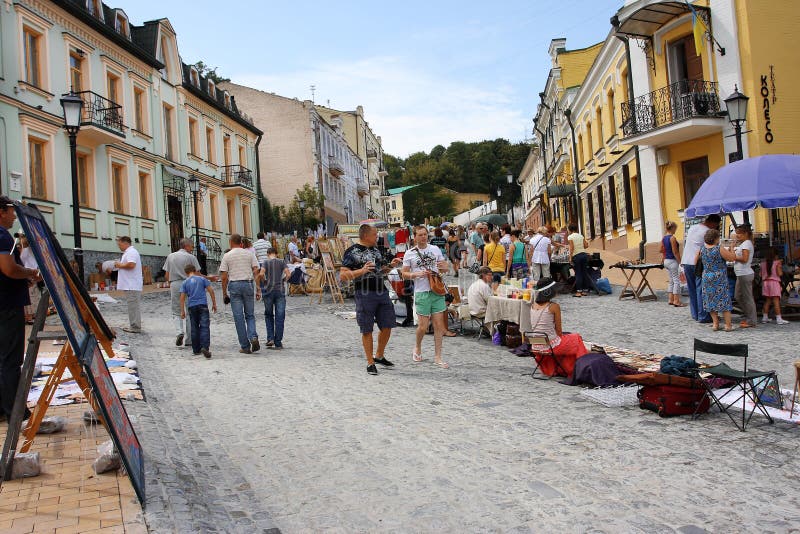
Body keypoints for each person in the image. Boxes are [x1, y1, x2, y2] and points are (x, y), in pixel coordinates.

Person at [340, 224, 402, 375]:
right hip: (364, 293)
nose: (378, 237)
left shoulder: (376, 250)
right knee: (367, 328)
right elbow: (343, 276)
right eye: (375, 234)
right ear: (366, 235)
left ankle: (379, 355)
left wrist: (390, 266)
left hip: (381, 291)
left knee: (388, 325)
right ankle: (370, 362)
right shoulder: (352, 251)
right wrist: (362, 270)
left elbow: (380, 271)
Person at [0, 197, 38, 421]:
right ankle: (15, 411)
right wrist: (29, 273)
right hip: (7, 305)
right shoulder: (3, 236)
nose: (14, 216)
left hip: (5, 301)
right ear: (1, 212)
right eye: (12, 212)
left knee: (4, 358)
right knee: (11, 360)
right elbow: (8, 269)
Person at [402, 225, 450, 369]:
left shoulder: (435, 250)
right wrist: (415, 274)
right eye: (420, 235)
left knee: (438, 326)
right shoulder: (409, 253)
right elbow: (404, 273)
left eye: (425, 235)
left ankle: (438, 357)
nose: (423, 237)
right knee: (423, 327)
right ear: (415, 237)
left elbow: (444, 268)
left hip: (436, 290)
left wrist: (444, 267)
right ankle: (417, 347)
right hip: (421, 292)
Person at [528, 277, 587, 377]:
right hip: (549, 345)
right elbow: (559, 331)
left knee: (568, 339)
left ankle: (563, 368)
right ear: (549, 292)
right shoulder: (554, 306)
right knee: (576, 338)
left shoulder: (533, 305)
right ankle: (582, 369)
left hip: (535, 344)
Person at [220, 234, 261, 353]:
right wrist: (258, 289)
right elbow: (256, 272)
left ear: (230, 243)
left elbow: (223, 277)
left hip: (234, 285)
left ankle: (245, 346)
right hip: (248, 284)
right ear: (241, 243)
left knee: (238, 317)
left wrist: (224, 293)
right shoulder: (249, 254)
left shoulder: (227, 256)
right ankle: (253, 336)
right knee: (250, 315)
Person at [695, 229, 736, 331]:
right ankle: (728, 325)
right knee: (724, 301)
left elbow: (696, 260)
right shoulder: (718, 249)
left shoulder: (702, 249)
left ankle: (715, 324)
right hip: (719, 277)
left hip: (707, 277)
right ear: (716, 239)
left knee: (710, 301)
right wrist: (732, 248)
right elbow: (731, 258)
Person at [163, 238, 202, 347]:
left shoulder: (171, 256)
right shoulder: (191, 257)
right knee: (190, 311)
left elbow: (166, 275)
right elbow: (197, 274)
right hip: (190, 283)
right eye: (192, 246)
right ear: (187, 246)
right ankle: (190, 339)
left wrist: (170, 282)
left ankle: (179, 331)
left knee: (176, 310)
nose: (193, 248)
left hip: (175, 284)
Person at [681, 214, 720, 323]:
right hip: (697, 263)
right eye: (716, 226)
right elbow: (710, 247)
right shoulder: (707, 232)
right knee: (701, 289)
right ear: (713, 223)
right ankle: (703, 315)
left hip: (686, 260)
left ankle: (695, 314)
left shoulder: (693, 228)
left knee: (692, 289)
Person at [180, 264, 217, 358]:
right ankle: (205, 347)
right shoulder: (202, 279)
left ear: (186, 272)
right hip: (203, 305)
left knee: (194, 327)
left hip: (192, 306)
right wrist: (214, 303)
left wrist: (182, 311)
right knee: (204, 326)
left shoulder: (185, 282)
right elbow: (211, 291)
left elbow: (182, 298)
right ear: (195, 270)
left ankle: (196, 349)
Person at [259, 247, 290, 349]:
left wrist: (264, 281)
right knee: (280, 317)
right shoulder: (282, 261)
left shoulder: (265, 262)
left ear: (268, 254)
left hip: (268, 291)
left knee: (268, 315)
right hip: (280, 291)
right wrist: (284, 280)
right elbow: (288, 274)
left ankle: (270, 338)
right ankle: (278, 342)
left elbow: (261, 274)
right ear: (276, 254)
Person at [729, 225, 756, 328]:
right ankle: (749, 315)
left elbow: (744, 259)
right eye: (736, 233)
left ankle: (752, 320)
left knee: (747, 297)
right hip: (741, 273)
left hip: (745, 273)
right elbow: (734, 257)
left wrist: (734, 256)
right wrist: (732, 248)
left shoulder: (746, 244)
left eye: (739, 233)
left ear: (745, 234)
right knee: (738, 296)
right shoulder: (743, 244)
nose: (737, 235)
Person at [115, 236, 143, 333]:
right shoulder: (129, 252)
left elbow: (131, 265)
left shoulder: (131, 252)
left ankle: (135, 327)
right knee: (132, 306)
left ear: (125, 243)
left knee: (133, 306)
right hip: (130, 284)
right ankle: (134, 325)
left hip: (132, 285)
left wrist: (120, 265)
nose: (119, 246)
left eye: (120, 244)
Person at [761, 247, 788, 325]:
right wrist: (780, 267)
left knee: (768, 301)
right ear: (776, 255)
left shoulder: (762, 263)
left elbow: (760, 274)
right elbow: (780, 274)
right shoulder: (777, 263)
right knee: (776, 301)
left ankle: (764, 318)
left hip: (765, 283)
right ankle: (779, 319)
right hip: (774, 283)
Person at [660, 221, 685, 307]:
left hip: (666, 260)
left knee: (671, 281)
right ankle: (676, 301)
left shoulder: (663, 238)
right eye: (675, 229)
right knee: (676, 281)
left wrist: (663, 259)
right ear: (673, 228)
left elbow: (661, 250)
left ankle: (670, 299)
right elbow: (675, 252)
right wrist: (680, 262)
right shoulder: (672, 238)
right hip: (672, 260)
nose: (675, 230)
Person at [568, 224, 589, 297]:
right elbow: (586, 245)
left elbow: (571, 248)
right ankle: (585, 291)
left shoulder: (570, 237)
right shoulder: (581, 236)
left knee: (578, 273)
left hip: (576, 256)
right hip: (584, 255)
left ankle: (579, 291)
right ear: (576, 229)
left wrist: (570, 257)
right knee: (584, 273)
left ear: (570, 230)